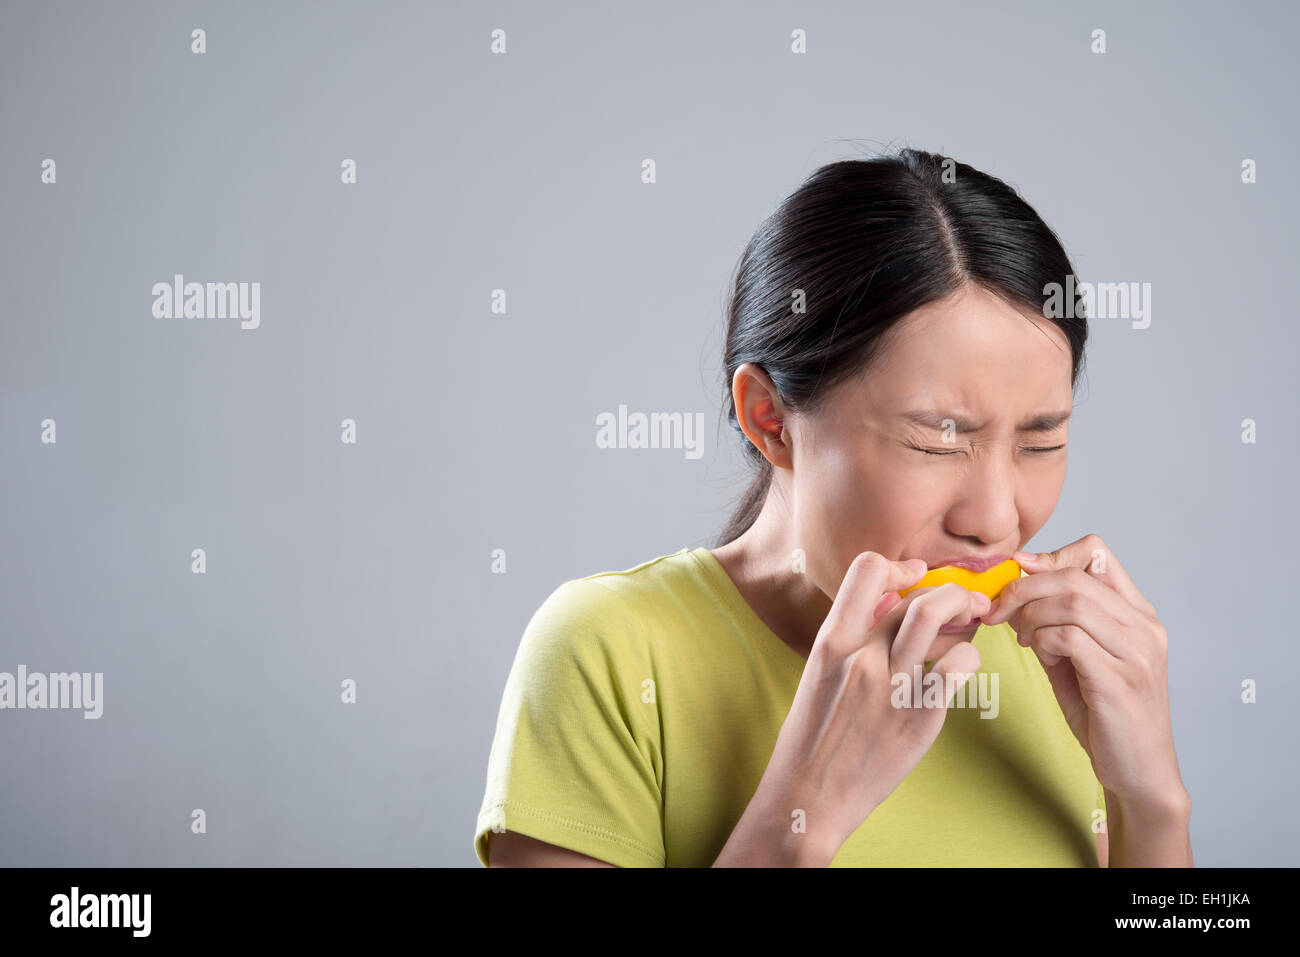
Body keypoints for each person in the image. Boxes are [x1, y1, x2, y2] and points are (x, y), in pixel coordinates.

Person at [474, 148, 1193, 867]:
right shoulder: (606, 654)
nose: (998, 518)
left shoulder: (1057, 666)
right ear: (771, 419)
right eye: (939, 442)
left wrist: (1153, 802)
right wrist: (806, 811)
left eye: (1041, 442)